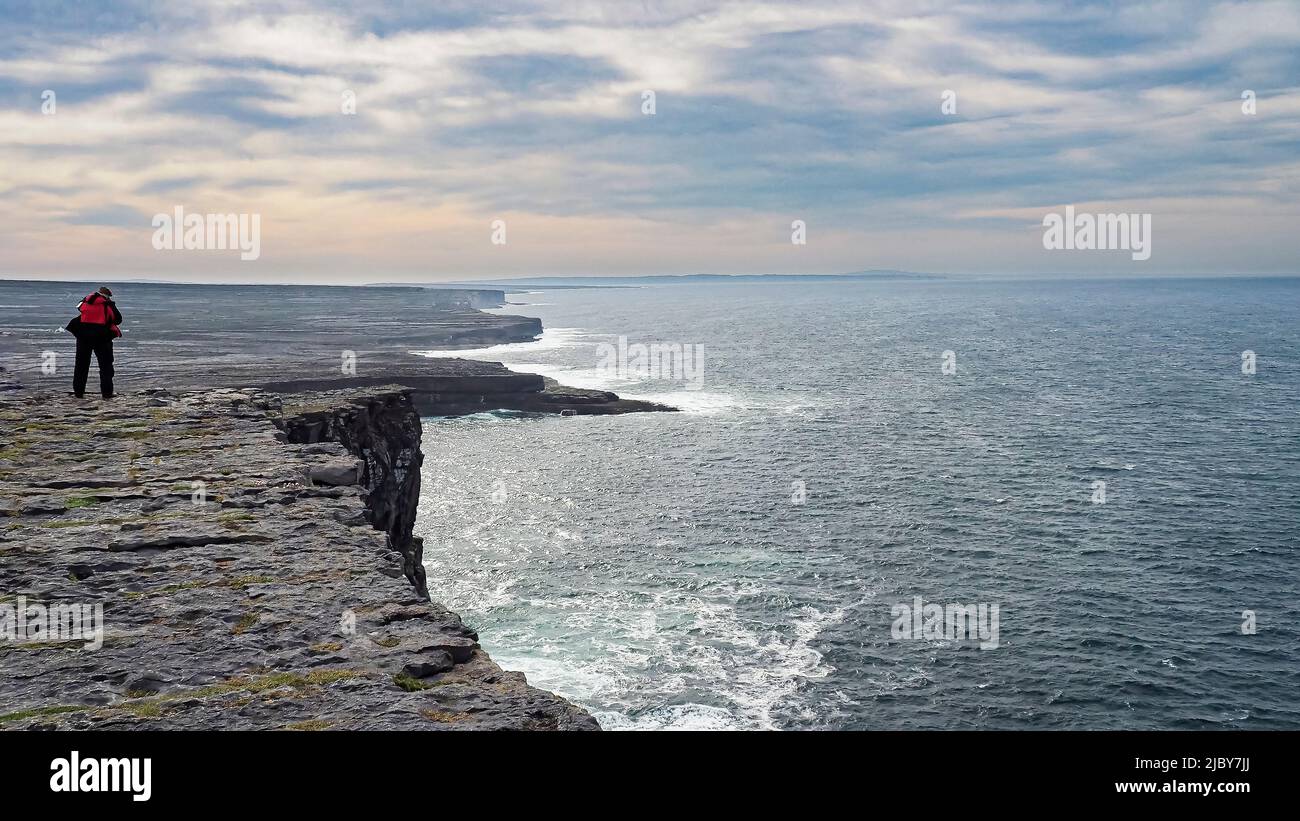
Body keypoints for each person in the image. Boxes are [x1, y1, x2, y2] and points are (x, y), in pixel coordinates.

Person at [69, 286, 122, 399]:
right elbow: (118, 319)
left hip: (83, 336)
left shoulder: (85, 301)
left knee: (81, 366)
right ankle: (107, 393)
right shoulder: (107, 304)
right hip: (102, 338)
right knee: (105, 367)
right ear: (107, 296)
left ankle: (78, 392)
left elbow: (79, 309)